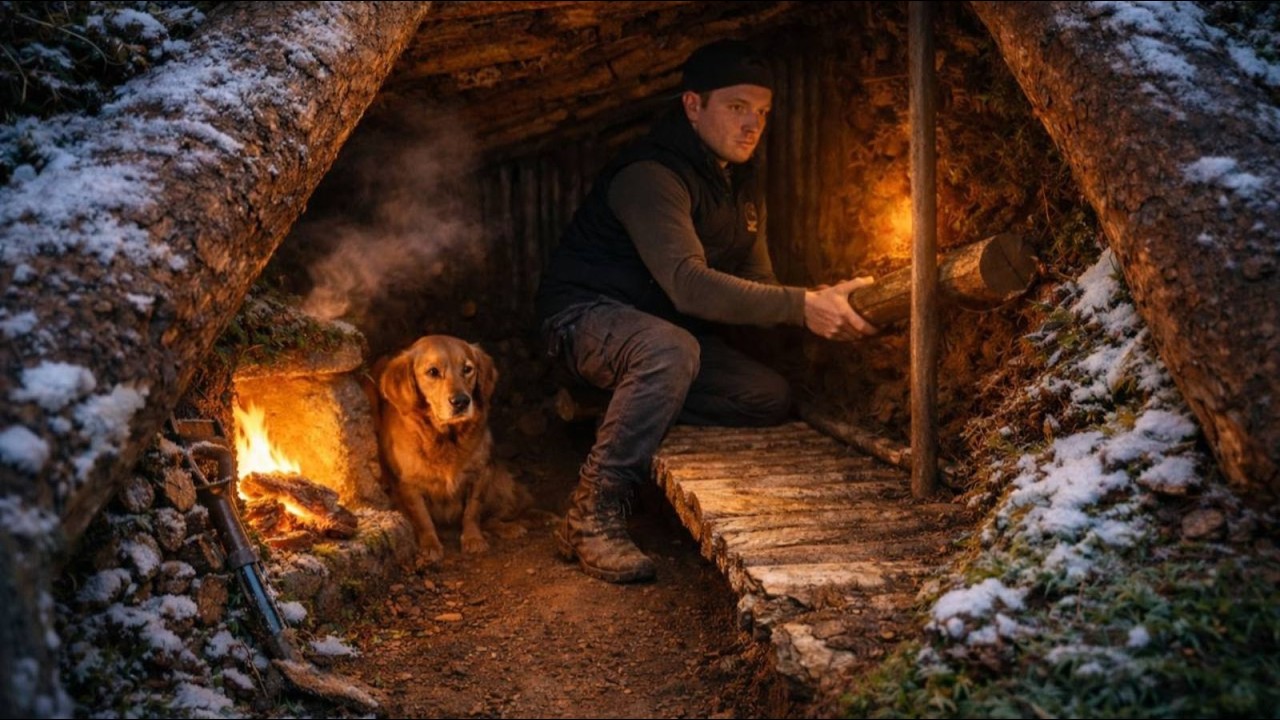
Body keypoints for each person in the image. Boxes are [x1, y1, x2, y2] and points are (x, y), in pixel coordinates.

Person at [535, 39, 876, 583]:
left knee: (766, 396)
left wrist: (828, 301)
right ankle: (590, 515)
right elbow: (689, 287)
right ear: (693, 105)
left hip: (663, 342)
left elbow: (759, 287)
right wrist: (802, 306)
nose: (752, 125)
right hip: (585, 320)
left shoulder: (739, 186)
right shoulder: (651, 175)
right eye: (737, 107)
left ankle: (621, 408)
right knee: (671, 350)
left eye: (762, 112)